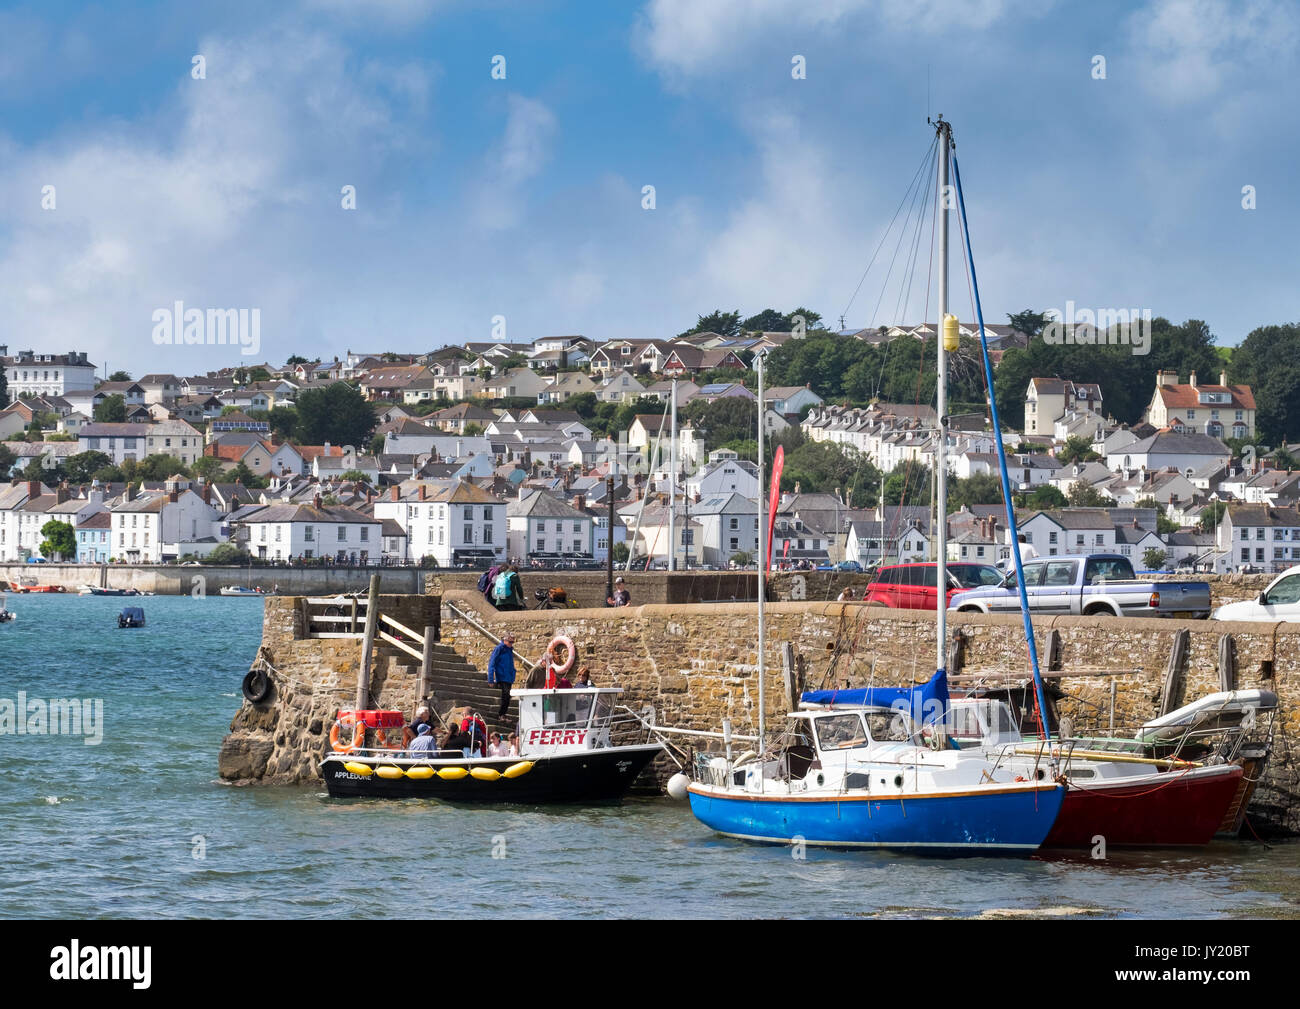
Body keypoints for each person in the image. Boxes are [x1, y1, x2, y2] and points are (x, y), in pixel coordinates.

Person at [487, 633, 517, 718]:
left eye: (513, 642)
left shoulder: (509, 650)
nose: (512, 644)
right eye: (510, 642)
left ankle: (503, 714)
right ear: (505, 640)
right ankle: (501, 715)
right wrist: (490, 679)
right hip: (502, 676)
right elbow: (492, 663)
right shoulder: (499, 648)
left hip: (509, 677)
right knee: (505, 696)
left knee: (507, 697)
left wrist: (513, 674)